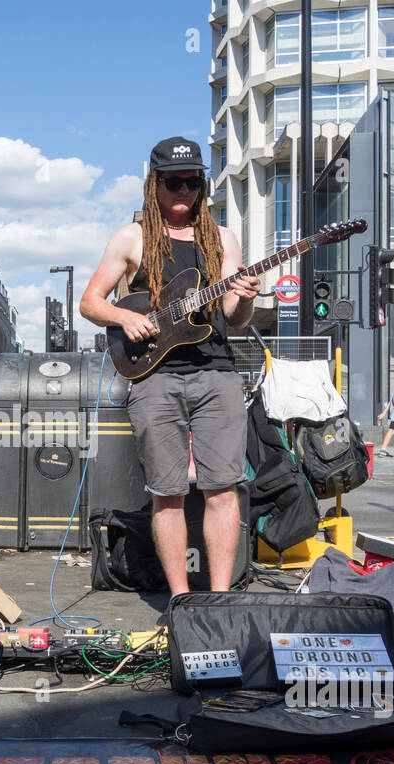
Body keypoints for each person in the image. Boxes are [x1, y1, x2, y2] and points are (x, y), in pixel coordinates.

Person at [79, 136, 261, 595]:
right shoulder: (131, 238)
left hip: (217, 371)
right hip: (155, 376)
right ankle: (180, 598)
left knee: (223, 488)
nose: (184, 191)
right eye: (174, 182)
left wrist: (244, 300)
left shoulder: (223, 240)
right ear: (154, 184)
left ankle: (219, 599)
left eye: (192, 182)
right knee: (169, 492)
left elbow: (235, 321)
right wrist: (125, 316)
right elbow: (90, 302)